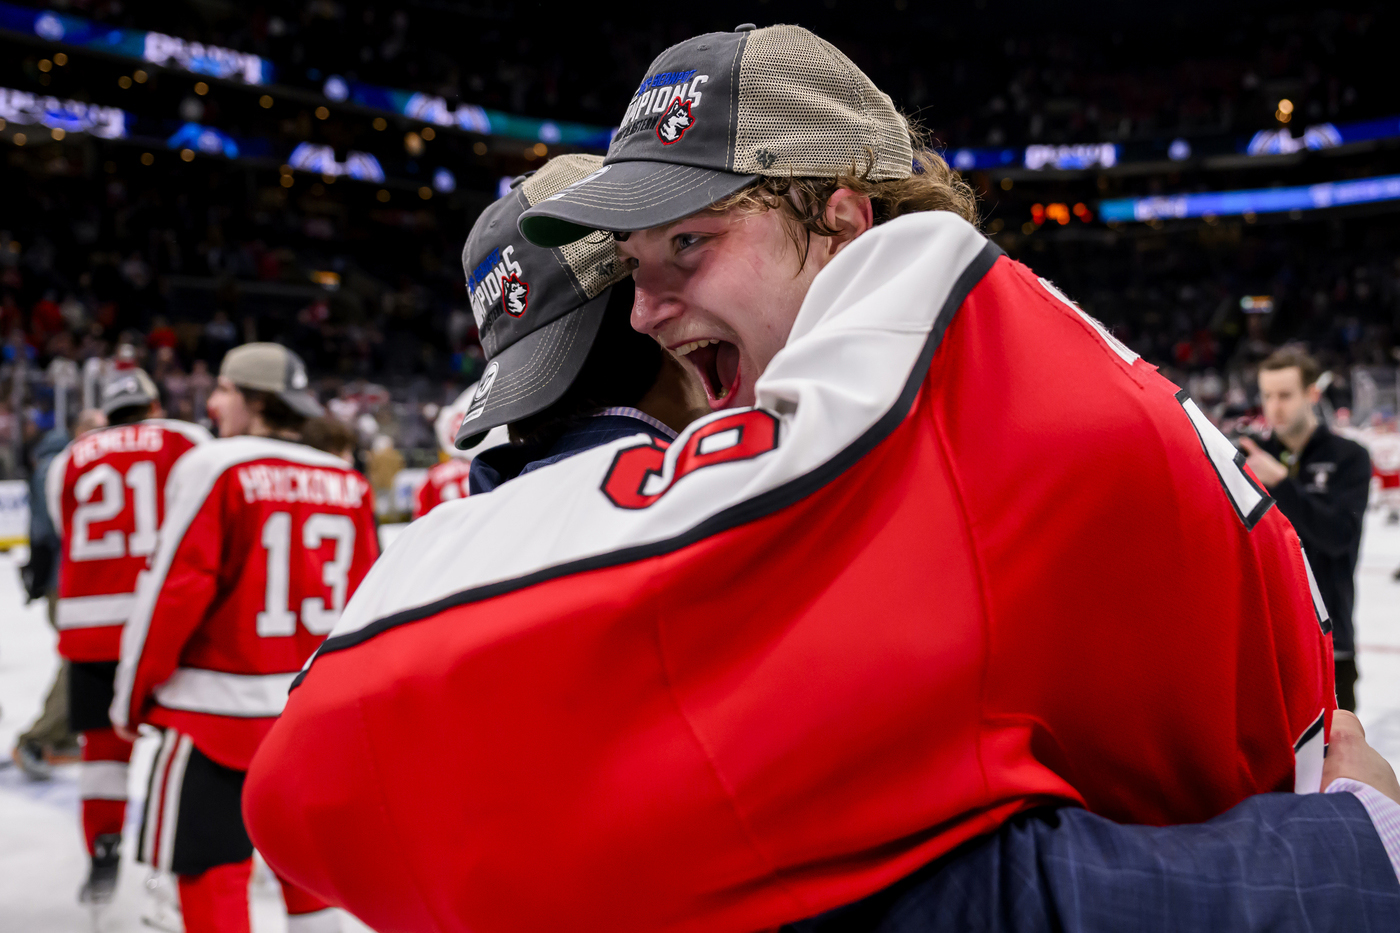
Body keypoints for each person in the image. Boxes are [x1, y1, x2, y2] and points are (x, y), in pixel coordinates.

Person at [248, 27, 1339, 931]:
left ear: (842, 221)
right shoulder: (1007, 360)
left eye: (689, 244)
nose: (644, 311)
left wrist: (1344, 863)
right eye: (632, 274)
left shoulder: (927, 353)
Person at [111, 343, 379, 933]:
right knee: (312, 885)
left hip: (212, 721)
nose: (211, 403)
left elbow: (173, 593)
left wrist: (131, 699)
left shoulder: (218, 465)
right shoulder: (347, 481)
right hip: (308, 719)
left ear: (255, 401)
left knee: (211, 881)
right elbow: (366, 606)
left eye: (223, 390)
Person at [40, 370, 210, 904]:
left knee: (102, 751)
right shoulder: (186, 439)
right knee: (191, 744)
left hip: (91, 629)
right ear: (154, 403)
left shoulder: (71, 457)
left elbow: (61, 524)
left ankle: (103, 859)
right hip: (166, 619)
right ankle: (189, 864)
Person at [1240, 348, 1371, 711]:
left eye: (1284, 395)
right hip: (1265, 646)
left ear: (1312, 394)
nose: (1274, 406)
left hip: (1330, 641)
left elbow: (1338, 538)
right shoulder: (1250, 456)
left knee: (1337, 764)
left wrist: (1281, 483)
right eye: (1266, 396)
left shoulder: (1350, 457)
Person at [11, 406, 108, 782]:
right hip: (64, 581)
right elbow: (48, 528)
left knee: (81, 659)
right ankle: (36, 739)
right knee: (78, 661)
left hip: (73, 579)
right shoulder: (59, 465)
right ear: (82, 430)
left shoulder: (66, 462)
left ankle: (62, 736)